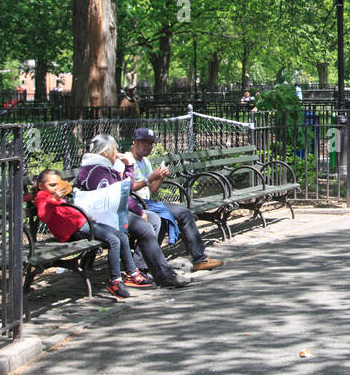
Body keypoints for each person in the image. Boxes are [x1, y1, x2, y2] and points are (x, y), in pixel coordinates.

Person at [74, 134, 190, 288]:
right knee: (146, 226)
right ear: (104, 153)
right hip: (100, 219)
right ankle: (164, 275)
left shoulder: (103, 167)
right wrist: (138, 211)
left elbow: (124, 189)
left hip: (109, 212)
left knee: (155, 219)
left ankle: (137, 268)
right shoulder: (97, 171)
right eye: (114, 150)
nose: (116, 153)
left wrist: (129, 167)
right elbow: (118, 196)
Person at [31, 168, 152, 299]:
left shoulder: (54, 195)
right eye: (52, 185)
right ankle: (115, 281)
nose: (56, 188)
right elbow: (43, 217)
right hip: (75, 231)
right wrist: (54, 199)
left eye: (57, 184)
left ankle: (132, 273)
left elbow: (68, 212)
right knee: (114, 240)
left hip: (84, 223)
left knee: (121, 235)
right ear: (40, 186)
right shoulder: (42, 197)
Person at [118, 128, 224, 272]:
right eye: (145, 142)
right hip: (133, 205)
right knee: (160, 219)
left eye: (151, 143)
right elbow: (125, 190)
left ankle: (199, 259)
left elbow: (152, 189)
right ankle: (141, 266)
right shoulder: (125, 161)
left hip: (147, 202)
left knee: (184, 213)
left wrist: (160, 177)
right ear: (134, 142)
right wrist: (149, 179)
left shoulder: (146, 162)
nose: (148, 146)